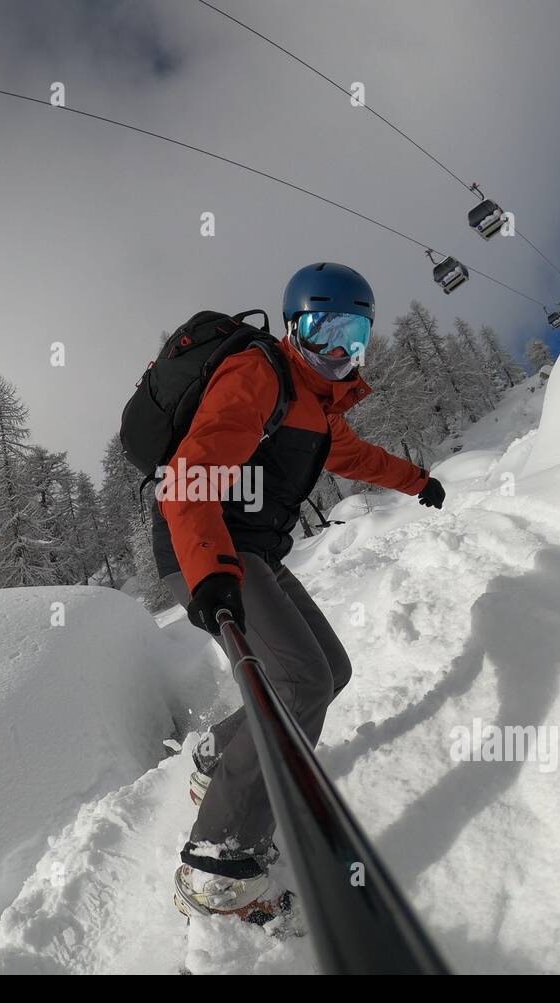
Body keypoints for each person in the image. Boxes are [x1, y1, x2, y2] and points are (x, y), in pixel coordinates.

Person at [154, 262, 447, 918]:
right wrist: (207, 575)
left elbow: (358, 457)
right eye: (325, 330)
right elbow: (189, 477)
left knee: (329, 670)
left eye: (355, 335)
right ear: (295, 328)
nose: (341, 351)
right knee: (299, 680)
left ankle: (218, 754)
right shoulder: (260, 376)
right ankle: (216, 864)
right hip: (203, 546)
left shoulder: (315, 405)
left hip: (247, 551)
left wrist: (417, 479)